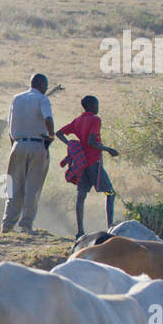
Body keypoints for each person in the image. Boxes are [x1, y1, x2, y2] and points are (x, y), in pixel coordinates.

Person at [56, 95, 119, 238]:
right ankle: (111, 227)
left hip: (82, 163)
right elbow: (91, 142)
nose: (98, 107)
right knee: (110, 193)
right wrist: (108, 149)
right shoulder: (95, 120)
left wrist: (71, 145)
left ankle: (80, 231)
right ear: (91, 105)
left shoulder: (78, 120)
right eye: (96, 104)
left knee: (81, 195)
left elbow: (59, 133)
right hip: (93, 162)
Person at [0, 73, 54, 234]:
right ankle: (26, 224)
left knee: (12, 186)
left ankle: (7, 224)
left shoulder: (17, 98)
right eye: (46, 85)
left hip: (17, 144)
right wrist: (51, 136)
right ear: (42, 85)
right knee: (33, 187)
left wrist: (14, 145)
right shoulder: (43, 99)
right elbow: (48, 118)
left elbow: (11, 125)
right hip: (37, 144)